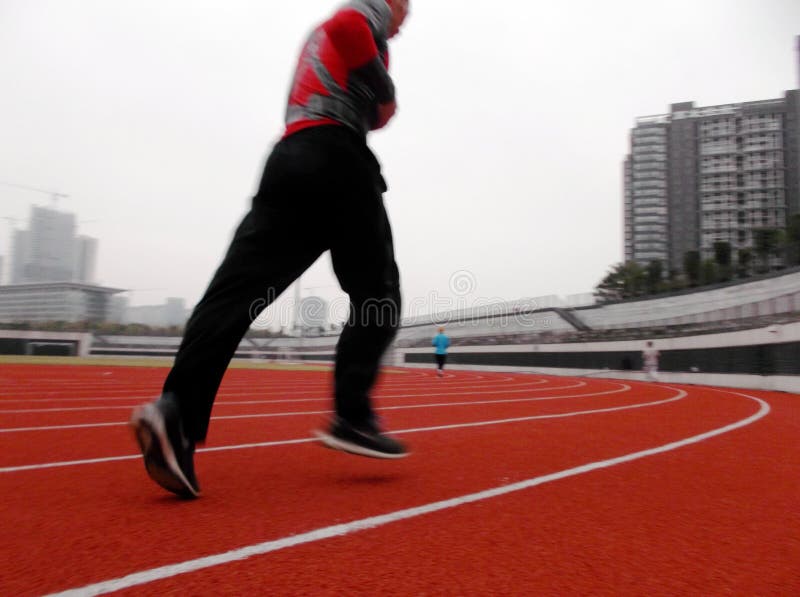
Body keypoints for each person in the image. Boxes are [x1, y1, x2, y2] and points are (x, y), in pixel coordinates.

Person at [129, 0, 411, 499]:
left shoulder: (333, 42)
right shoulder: (368, 12)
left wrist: (375, 102)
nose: (406, 17)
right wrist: (387, 92)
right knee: (378, 294)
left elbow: (361, 91)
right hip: (338, 160)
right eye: (406, 6)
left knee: (236, 293)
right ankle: (352, 415)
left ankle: (176, 413)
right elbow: (348, 28)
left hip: (292, 158)